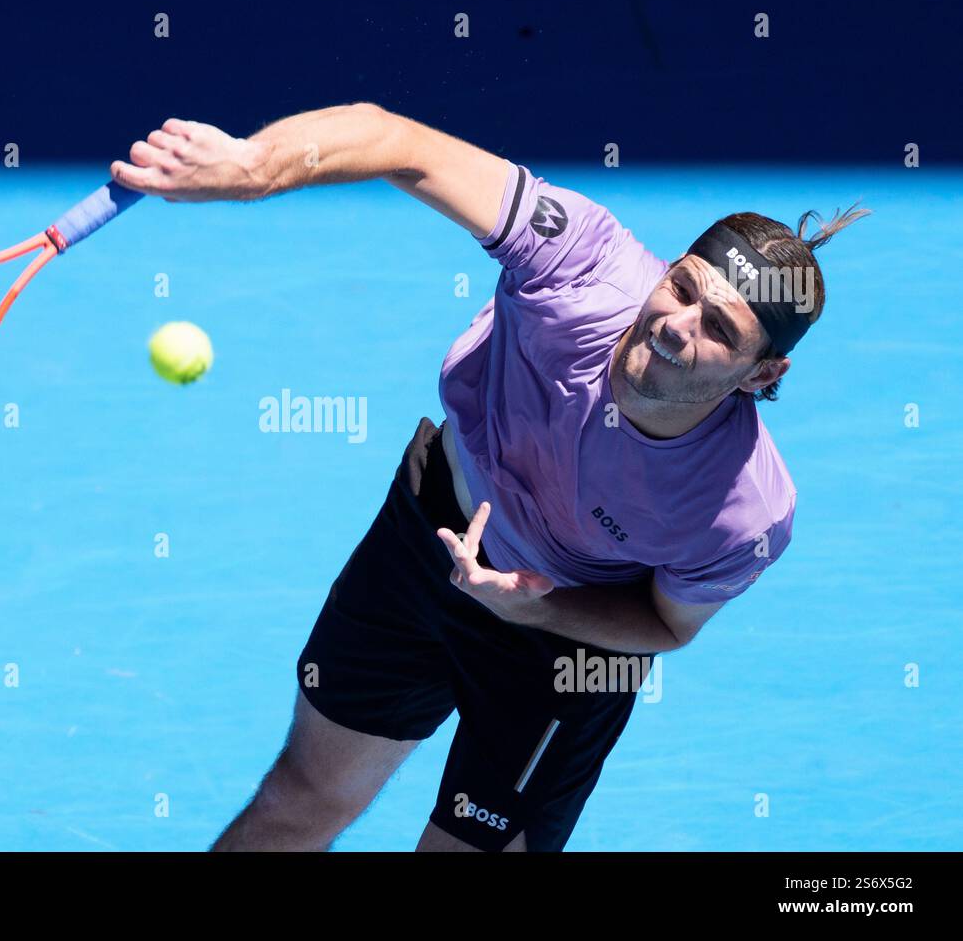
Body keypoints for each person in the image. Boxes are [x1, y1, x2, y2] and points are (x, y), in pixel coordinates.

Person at [110, 104, 869, 851]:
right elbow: (399, 141)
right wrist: (250, 169)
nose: (678, 324)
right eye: (683, 288)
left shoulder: (742, 511)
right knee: (300, 799)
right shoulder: (580, 262)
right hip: (429, 537)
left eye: (720, 330)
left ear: (762, 373)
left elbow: (665, 624)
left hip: (563, 645)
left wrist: (536, 613)